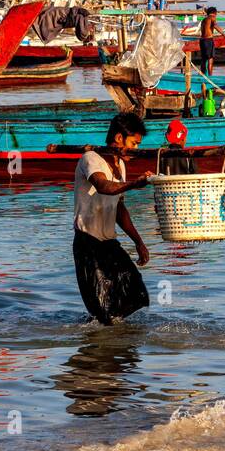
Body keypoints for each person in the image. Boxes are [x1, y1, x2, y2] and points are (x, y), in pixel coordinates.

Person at [72, 112, 154, 324]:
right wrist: (134, 184)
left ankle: (119, 337)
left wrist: (138, 242)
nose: (136, 149)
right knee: (102, 309)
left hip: (109, 244)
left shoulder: (120, 165)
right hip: (88, 244)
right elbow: (103, 186)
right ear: (119, 138)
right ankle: (96, 336)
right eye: (133, 143)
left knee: (137, 296)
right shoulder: (91, 159)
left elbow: (118, 208)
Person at [198, 6, 225, 75]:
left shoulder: (204, 20)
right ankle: (210, 77)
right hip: (208, 40)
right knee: (210, 60)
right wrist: (224, 35)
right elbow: (215, 26)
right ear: (214, 13)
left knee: (204, 59)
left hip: (202, 40)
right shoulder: (212, 17)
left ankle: (203, 75)